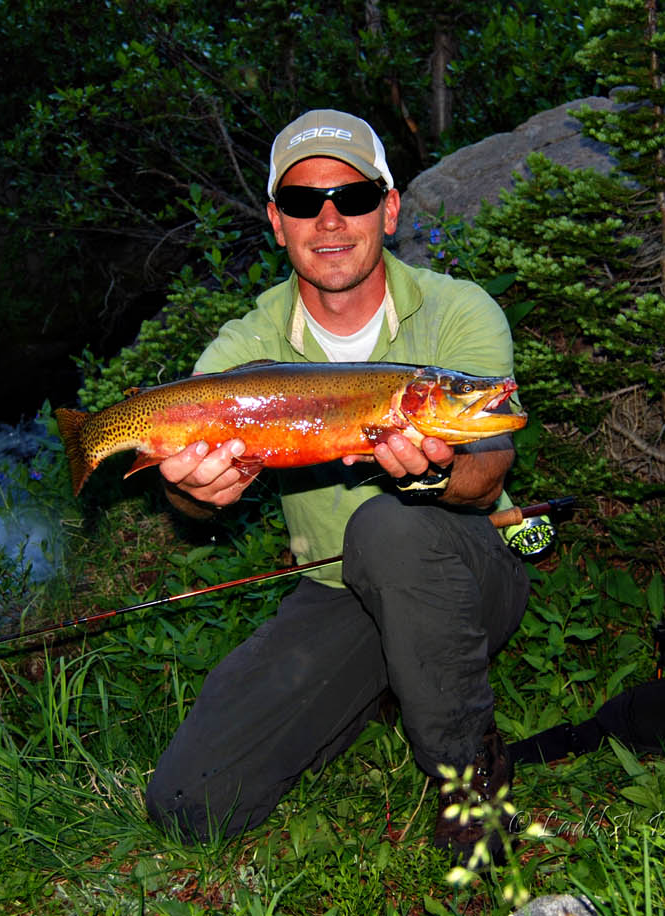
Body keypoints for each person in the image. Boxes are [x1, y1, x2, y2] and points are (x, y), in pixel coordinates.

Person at [142, 108, 530, 864]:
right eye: (302, 202)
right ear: (276, 222)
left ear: (387, 210)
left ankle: (467, 773)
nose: (329, 220)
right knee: (192, 803)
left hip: (471, 569)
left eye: (352, 198)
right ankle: (389, 680)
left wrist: (443, 469)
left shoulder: (458, 314)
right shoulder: (243, 348)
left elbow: (488, 476)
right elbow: (187, 481)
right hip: (336, 594)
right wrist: (193, 490)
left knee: (390, 526)